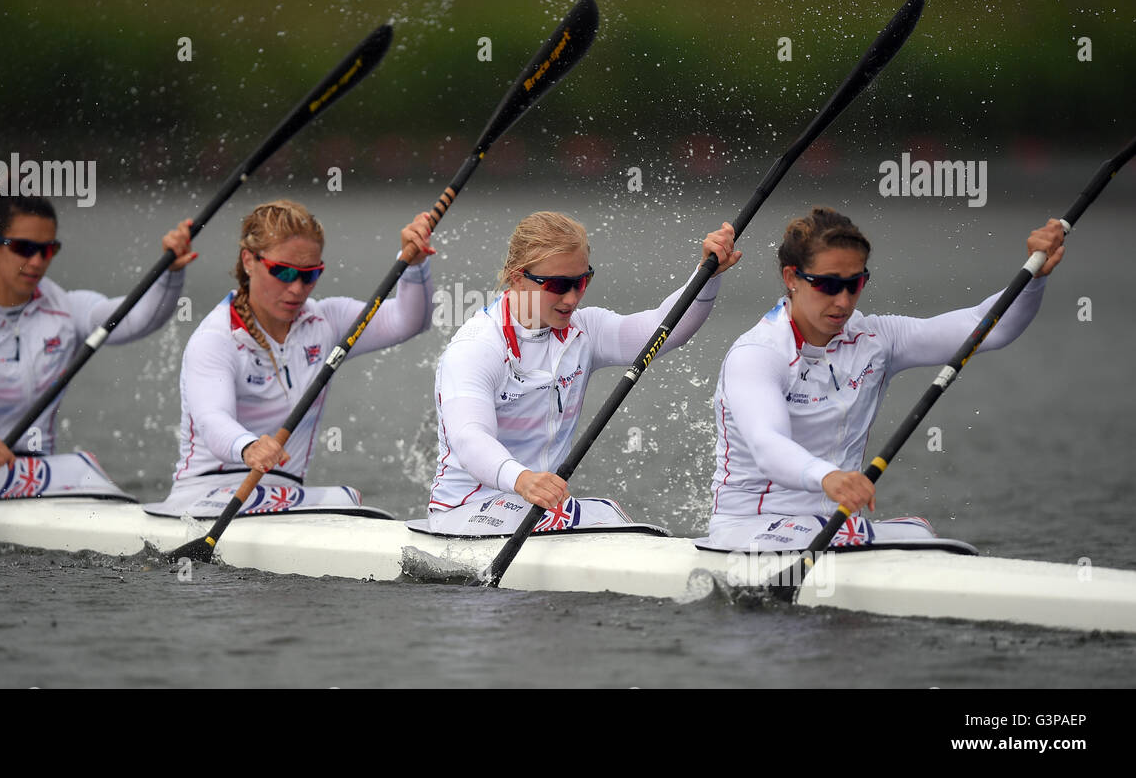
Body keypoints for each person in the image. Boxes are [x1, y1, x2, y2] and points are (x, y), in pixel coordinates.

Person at [697, 206, 1066, 551]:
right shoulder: (758, 354)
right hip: (749, 530)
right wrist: (828, 477)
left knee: (920, 531)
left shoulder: (877, 340)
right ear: (791, 277)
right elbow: (767, 444)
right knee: (903, 538)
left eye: (854, 284)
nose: (843, 301)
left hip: (835, 528)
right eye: (828, 284)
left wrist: (1033, 275)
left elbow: (984, 328)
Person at [427, 210, 741, 535]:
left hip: (536, 509)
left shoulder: (584, 331)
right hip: (464, 513)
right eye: (558, 285)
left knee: (610, 513)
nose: (572, 297)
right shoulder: (477, 348)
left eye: (582, 281)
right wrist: (521, 479)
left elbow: (665, 330)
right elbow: (469, 438)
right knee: (586, 516)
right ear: (517, 276)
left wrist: (708, 274)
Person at [145, 200, 434, 518]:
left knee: (347, 499)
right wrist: (249, 446)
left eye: (310, 275)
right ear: (249, 261)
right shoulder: (216, 338)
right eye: (283, 272)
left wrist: (415, 265)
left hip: (283, 497)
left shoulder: (327, 322)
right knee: (341, 501)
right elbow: (212, 420)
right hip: (204, 498)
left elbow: (408, 321)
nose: (297, 289)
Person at [0, 195, 195, 502]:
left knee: (83, 469)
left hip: (32, 471)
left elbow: (138, 320)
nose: (37, 261)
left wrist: (171, 274)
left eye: (48, 250)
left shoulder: (65, 311)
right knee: (81, 470)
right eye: (24, 248)